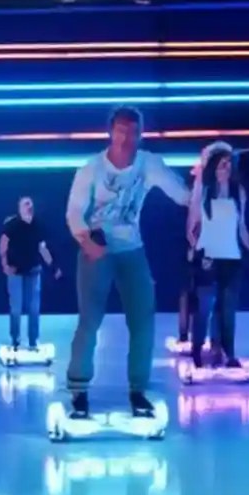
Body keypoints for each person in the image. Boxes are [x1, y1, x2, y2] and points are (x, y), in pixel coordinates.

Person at [65, 106, 191, 418]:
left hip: (132, 248)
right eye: (121, 131)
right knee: (89, 321)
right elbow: (73, 213)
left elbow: (182, 195)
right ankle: (79, 391)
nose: (127, 138)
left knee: (143, 320)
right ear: (111, 132)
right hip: (97, 247)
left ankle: (138, 391)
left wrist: (201, 182)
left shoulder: (148, 163)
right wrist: (86, 242)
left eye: (133, 131)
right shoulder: (91, 169)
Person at [186, 144, 249, 369]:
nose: (225, 168)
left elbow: (242, 227)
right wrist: (195, 248)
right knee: (204, 308)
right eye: (222, 163)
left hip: (232, 258)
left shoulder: (239, 192)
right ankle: (197, 350)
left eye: (229, 164)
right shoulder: (203, 189)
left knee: (228, 310)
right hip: (208, 256)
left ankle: (229, 353)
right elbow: (193, 223)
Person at [0, 196, 61, 351]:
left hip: (33, 271)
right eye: (25, 204)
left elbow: (42, 248)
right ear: (19, 208)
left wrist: (53, 266)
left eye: (30, 204)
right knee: (16, 308)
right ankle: (15, 341)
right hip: (15, 272)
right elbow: (3, 245)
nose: (29, 206)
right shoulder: (12, 225)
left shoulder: (38, 225)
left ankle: (33, 341)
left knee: (34, 308)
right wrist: (4, 264)